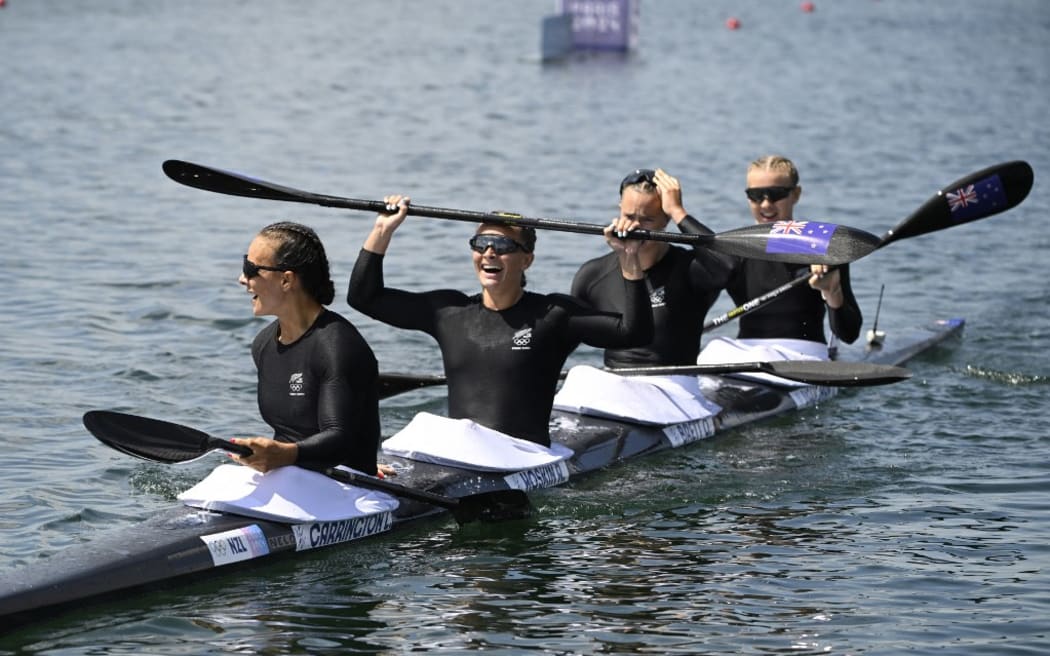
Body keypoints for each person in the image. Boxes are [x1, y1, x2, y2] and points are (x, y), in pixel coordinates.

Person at [347, 195, 654, 447]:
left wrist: (629, 259)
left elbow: (634, 333)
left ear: (527, 259)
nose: (489, 252)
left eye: (503, 246)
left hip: (524, 453)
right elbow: (363, 297)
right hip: (459, 449)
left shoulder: (554, 315)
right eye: (480, 244)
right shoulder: (447, 311)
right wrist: (382, 230)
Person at [231, 221, 382, 475]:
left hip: (349, 486)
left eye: (251, 269)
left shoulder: (338, 346)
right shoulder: (263, 344)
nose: (242, 279)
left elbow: (339, 438)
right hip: (293, 475)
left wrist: (283, 454)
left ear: (286, 280)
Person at [685, 155, 862, 346]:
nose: (766, 204)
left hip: (805, 353)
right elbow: (689, 317)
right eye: (756, 195)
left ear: (796, 194)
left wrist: (832, 292)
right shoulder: (734, 252)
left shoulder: (823, 249)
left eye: (776, 194)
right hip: (747, 353)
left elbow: (849, 335)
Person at [571, 168, 727, 367]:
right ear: (619, 207)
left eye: (647, 220)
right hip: (611, 382)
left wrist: (679, 211)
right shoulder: (592, 274)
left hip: (674, 383)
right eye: (628, 216)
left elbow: (728, 266)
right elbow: (564, 341)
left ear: (666, 219)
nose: (635, 227)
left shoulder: (692, 270)